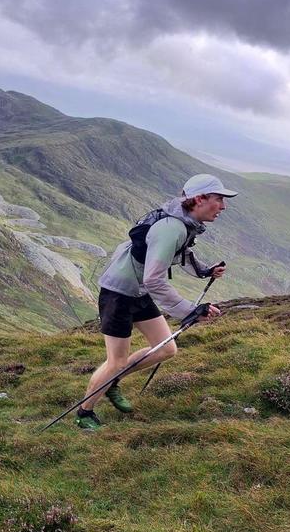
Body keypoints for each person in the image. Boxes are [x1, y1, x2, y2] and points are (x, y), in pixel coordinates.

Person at [75, 174, 238, 430]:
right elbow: (154, 280)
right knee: (116, 361)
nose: (223, 206)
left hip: (137, 293)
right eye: (219, 199)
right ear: (199, 199)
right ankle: (85, 412)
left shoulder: (183, 223)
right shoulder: (172, 228)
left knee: (166, 349)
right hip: (118, 294)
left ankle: (110, 382)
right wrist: (190, 311)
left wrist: (206, 271)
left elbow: (182, 253)